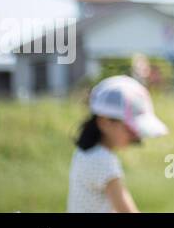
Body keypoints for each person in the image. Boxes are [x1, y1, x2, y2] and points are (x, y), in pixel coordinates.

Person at [67, 74, 168, 213]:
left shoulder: (85, 153)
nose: (136, 136)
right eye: (130, 129)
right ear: (104, 122)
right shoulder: (103, 160)